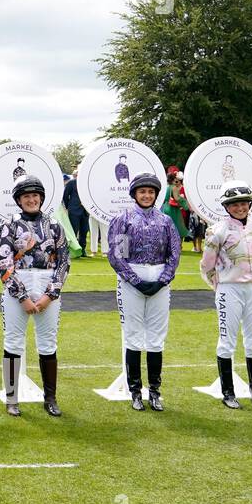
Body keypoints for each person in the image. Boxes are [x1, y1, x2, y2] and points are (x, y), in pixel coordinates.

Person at [0, 175, 70, 417]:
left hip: (47, 284)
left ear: (41, 198)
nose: (31, 200)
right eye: (26, 196)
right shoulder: (9, 226)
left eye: (35, 195)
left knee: (48, 343)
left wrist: (51, 294)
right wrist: (22, 296)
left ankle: (50, 398)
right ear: (19, 200)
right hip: (19, 284)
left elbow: (64, 262)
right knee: (13, 342)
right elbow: (3, 264)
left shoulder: (55, 226)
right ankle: (11, 398)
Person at [107, 173, 180, 411]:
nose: (147, 195)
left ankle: (155, 392)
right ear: (135, 194)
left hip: (159, 278)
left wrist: (163, 280)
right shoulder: (124, 218)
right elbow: (117, 255)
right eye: (142, 192)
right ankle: (135, 391)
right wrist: (134, 280)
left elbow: (174, 254)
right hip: (132, 280)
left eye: (150, 192)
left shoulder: (165, 221)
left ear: (156, 195)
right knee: (133, 335)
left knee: (157, 337)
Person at [201, 182, 252, 409]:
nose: (240, 208)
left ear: (249, 204)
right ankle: (228, 393)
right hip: (228, 289)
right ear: (227, 206)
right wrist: (219, 284)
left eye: (243, 203)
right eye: (234, 204)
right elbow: (207, 264)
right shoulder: (217, 231)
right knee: (227, 341)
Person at [161, 168, 191, 248]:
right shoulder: (174, 187)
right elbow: (177, 198)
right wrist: (185, 203)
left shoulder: (167, 187)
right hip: (173, 209)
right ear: (173, 179)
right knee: (178, 227)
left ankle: (168, 245)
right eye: (176, 179)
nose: (178, 180)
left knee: (168, 227)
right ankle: (177, 246)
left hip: (166, 207)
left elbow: (165, 199)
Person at [63, 171, 90, 253]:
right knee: (74, 231)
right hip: (74, 210)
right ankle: (72, 250)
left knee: (84, 231)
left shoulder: (87, 183)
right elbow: (65, 196)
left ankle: (82, 250)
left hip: (85, 211)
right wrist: (69, 207)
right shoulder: (71, 183)